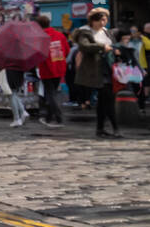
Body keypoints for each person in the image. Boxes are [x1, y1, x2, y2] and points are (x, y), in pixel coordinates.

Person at [75, 8, 120, 138]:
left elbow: (114, 45)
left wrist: (116, 51)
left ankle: (100, 129)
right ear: (92, 21)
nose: (102, 22)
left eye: (104, 19)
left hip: (110, 68)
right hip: (96, 70)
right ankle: (115, 128)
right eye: (99, 20)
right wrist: (101, 47)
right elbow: (84, 46)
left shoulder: (107, 32)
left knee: (103, 101)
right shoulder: (85, 32)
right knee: (109, 99)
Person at [35, 13, 69, 127]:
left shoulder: (40, 38)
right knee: (52, 92)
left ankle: (58, 118)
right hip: (59, 67)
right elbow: (67, 50)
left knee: (50, 94)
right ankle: (49, 118)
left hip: (47, 69)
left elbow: (38, 54)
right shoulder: (60, 35)